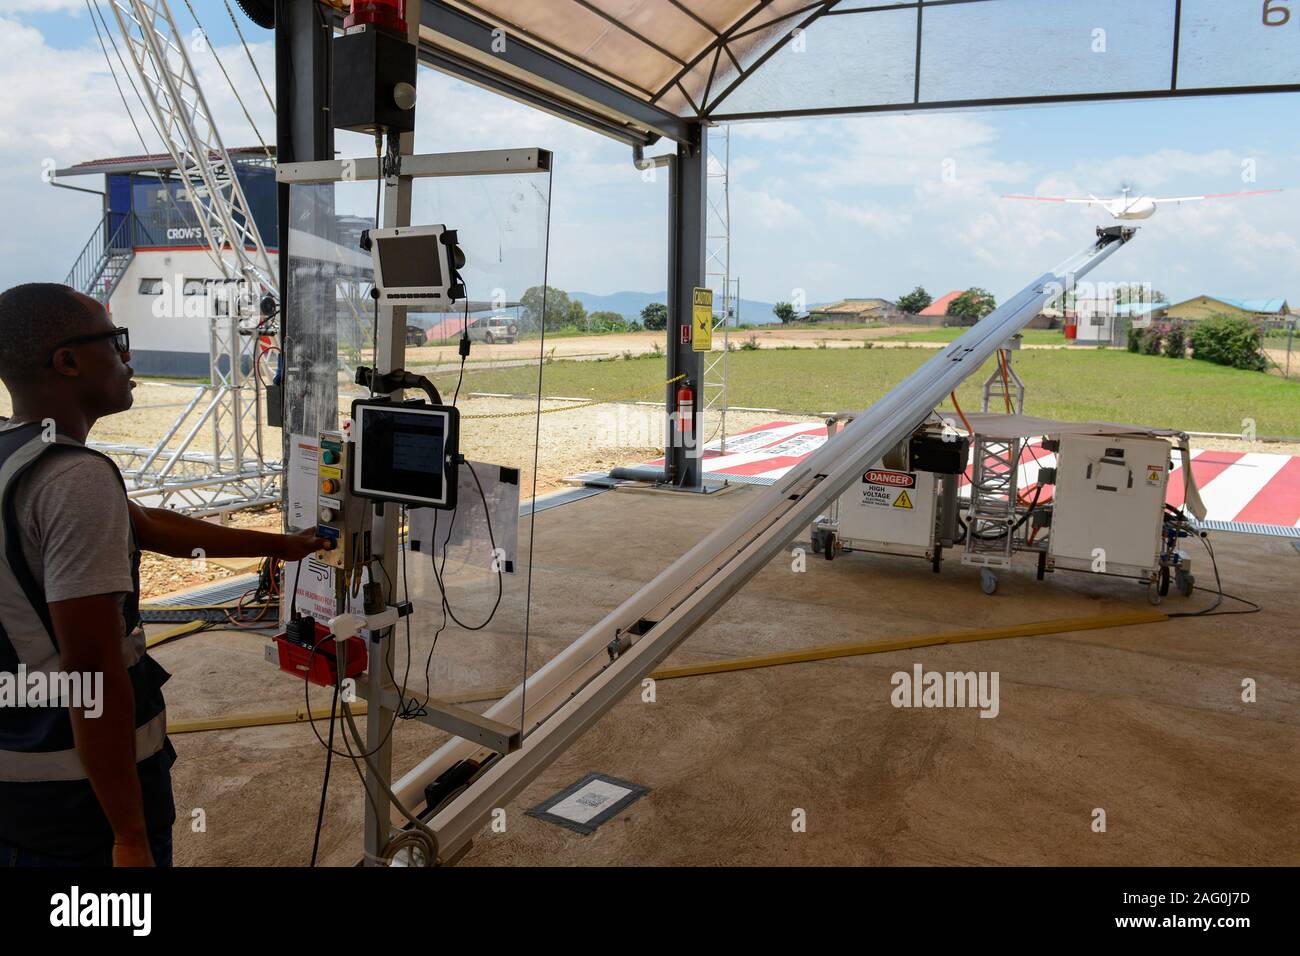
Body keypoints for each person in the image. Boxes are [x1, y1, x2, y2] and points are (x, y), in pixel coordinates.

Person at [0, 283, 324, 867]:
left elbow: (148, 524)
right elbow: (91, 674)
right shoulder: (75, 478)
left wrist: (283, 545)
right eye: (116, 341)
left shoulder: (18, 456)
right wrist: (128, 835)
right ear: (67, 361)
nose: (130, 359)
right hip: (78, 802)